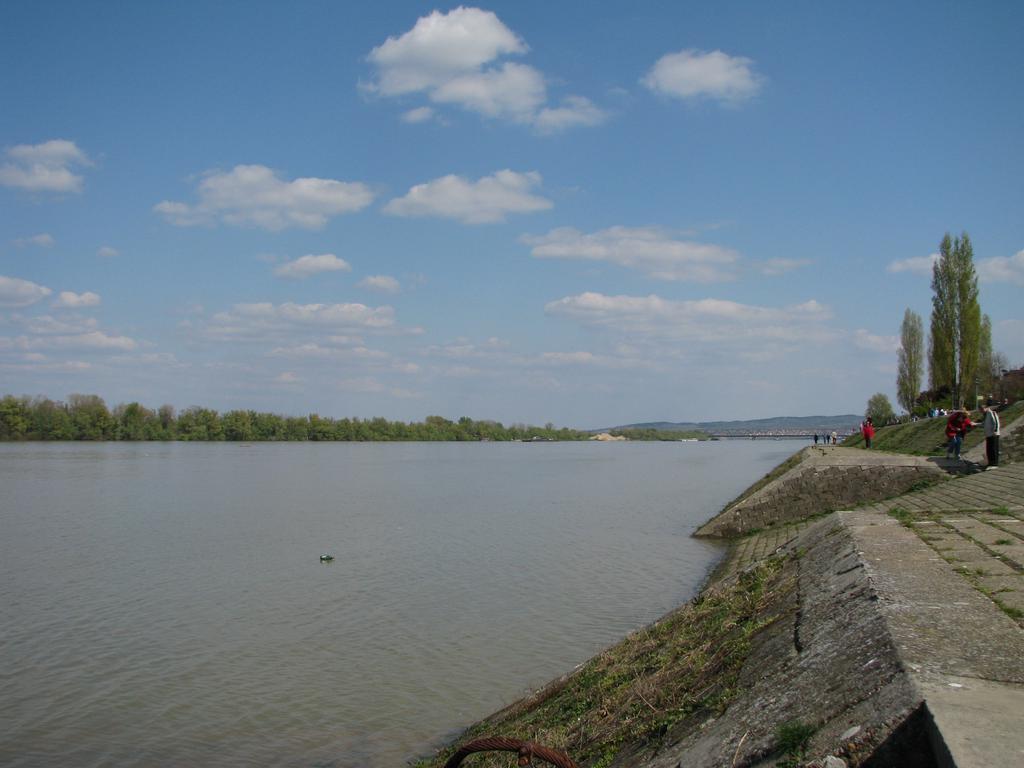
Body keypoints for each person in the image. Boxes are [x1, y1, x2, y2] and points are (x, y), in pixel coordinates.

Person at [982, 401, 1001, 469]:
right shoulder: (986, 414)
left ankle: (994, 464)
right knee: (989, 449)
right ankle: (990, 463)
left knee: (993, 449)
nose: (981, 411)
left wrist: (995, 431)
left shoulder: (991, 412)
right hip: (988, 435)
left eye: (982, 409)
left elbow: (995, 422)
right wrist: (975, 424)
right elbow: (984, 424)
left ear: (986, 408)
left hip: (993, 434)